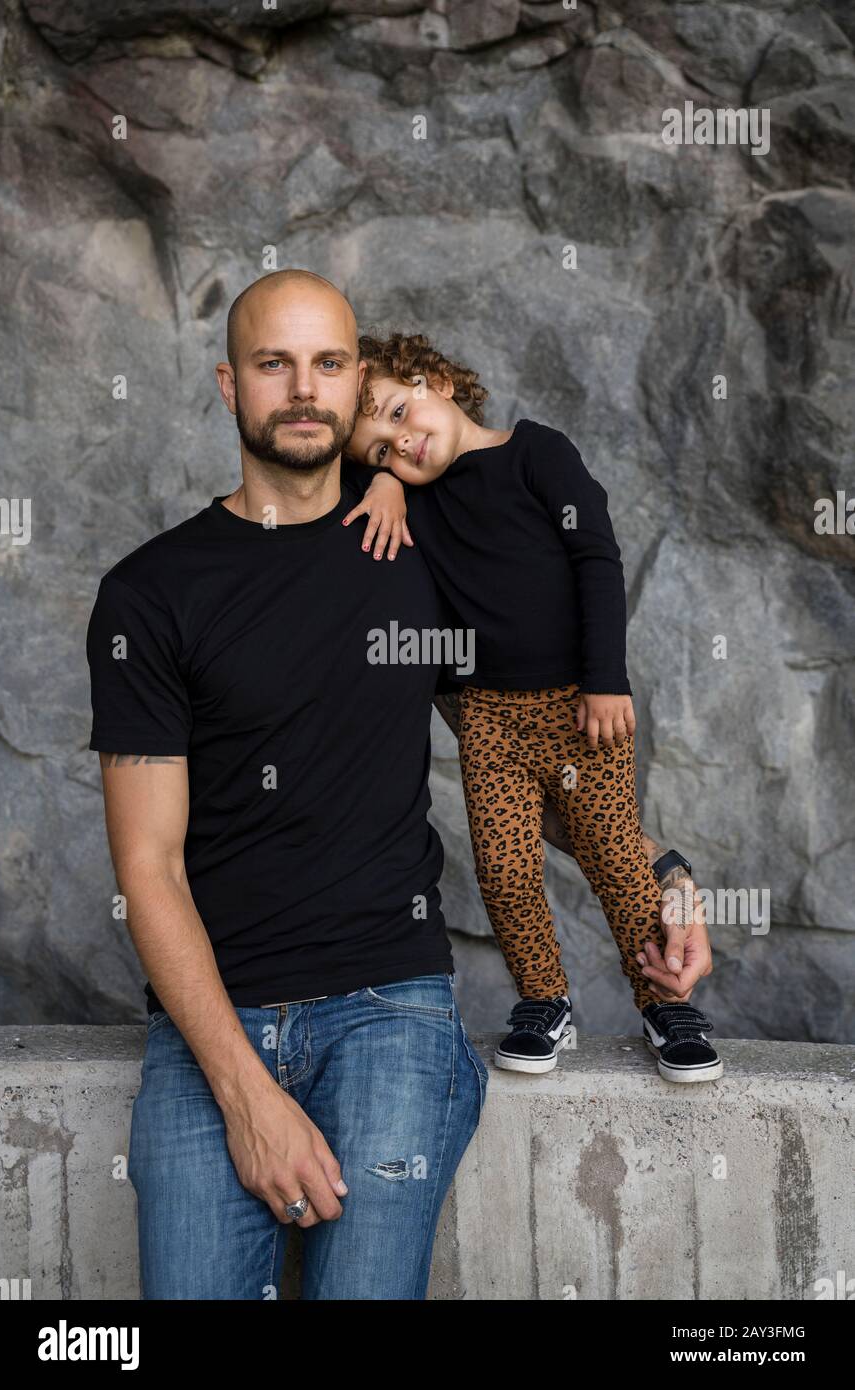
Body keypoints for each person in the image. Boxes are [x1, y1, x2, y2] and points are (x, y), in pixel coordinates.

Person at [86, 270, 713, 1301]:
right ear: (225, 383)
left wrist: (671, 885)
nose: (302, 388)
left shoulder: (415, 565)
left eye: (329, 364)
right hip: (212, 1021)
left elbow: (528, 764)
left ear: (360, 380)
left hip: (393, 1007)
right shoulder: (150, 593)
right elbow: (146, 865)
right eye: (272, 363)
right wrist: (246, 1097)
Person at [343, 331, 722, 1084]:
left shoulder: (534, 452)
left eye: (396, 410)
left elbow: (596, 559)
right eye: (380, 448)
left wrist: (605, 678)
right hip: (486, 717)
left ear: (439, 380)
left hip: (579, 708)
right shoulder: (406, 496)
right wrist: (382, 482)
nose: (400, 443)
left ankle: (664, 1006)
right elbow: (346, 497)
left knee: (615, 859)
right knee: (504, 868)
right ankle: (544, 1001)